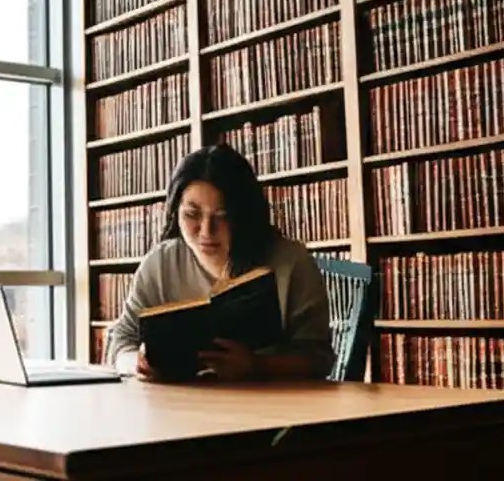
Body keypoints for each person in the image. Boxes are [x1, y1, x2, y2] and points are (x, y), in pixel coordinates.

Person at [104, 143, 335, 382]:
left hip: (272, 406)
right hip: (181, 409)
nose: (206, 231)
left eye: (223, 217)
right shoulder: (161, 263)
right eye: (192, 215)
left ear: (245, 216)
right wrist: (136, 363)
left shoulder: (292, 263)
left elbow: (318, 359)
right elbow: (121, 341)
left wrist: (257, 366)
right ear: (175, 211)